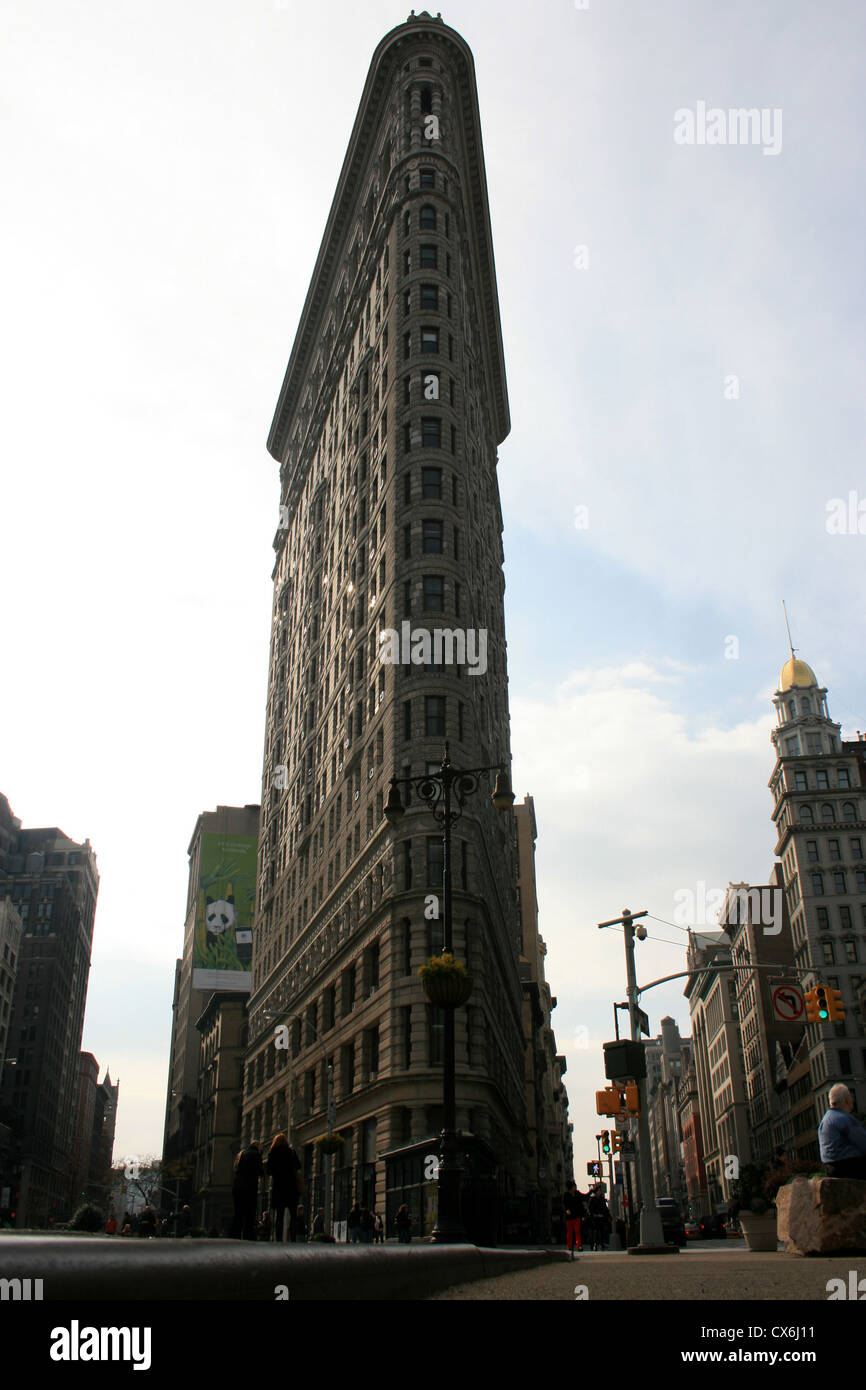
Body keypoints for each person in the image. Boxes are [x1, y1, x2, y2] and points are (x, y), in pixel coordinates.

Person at [818, 1083, 866, 1179]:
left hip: (830, 1168)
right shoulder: (844, 1119)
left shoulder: (824, 1121)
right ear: (847, 1100)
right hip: (849, 1167)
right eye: (851, 1096)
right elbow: (863, 1142)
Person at [266, 1133, 301, 1242]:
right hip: (291, 1187)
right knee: (293, 1215)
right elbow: (298, 1165)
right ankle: (293, 1238)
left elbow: (268, 1171)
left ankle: (278, 1239)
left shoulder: (272, 1153)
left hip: (279, 1187)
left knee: (279, 1216)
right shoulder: (291, 1152)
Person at [232, 1140, 264, 1240]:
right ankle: (248, 1235)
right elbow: (261, 1171)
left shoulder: (241, 1154)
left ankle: (236, 1234)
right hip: (250, 1187)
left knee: (238, 1212)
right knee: (250, 1212)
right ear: (257, 1146)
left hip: (237, 1186)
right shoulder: (256, 1154)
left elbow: (236, 1169)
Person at [562, 1180, 584, 1259]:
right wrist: (567, 1210)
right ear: (571, 1187)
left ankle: (579, 1246)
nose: (575, 1188)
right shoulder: (566, 1195)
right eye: (574, 1186)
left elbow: (582, 1199)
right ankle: (569, 1246)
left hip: (577, 1215)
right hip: (569, 1216)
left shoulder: (577, 1194)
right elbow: (564, 1204)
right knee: (570, 1232)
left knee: (577, 1231)